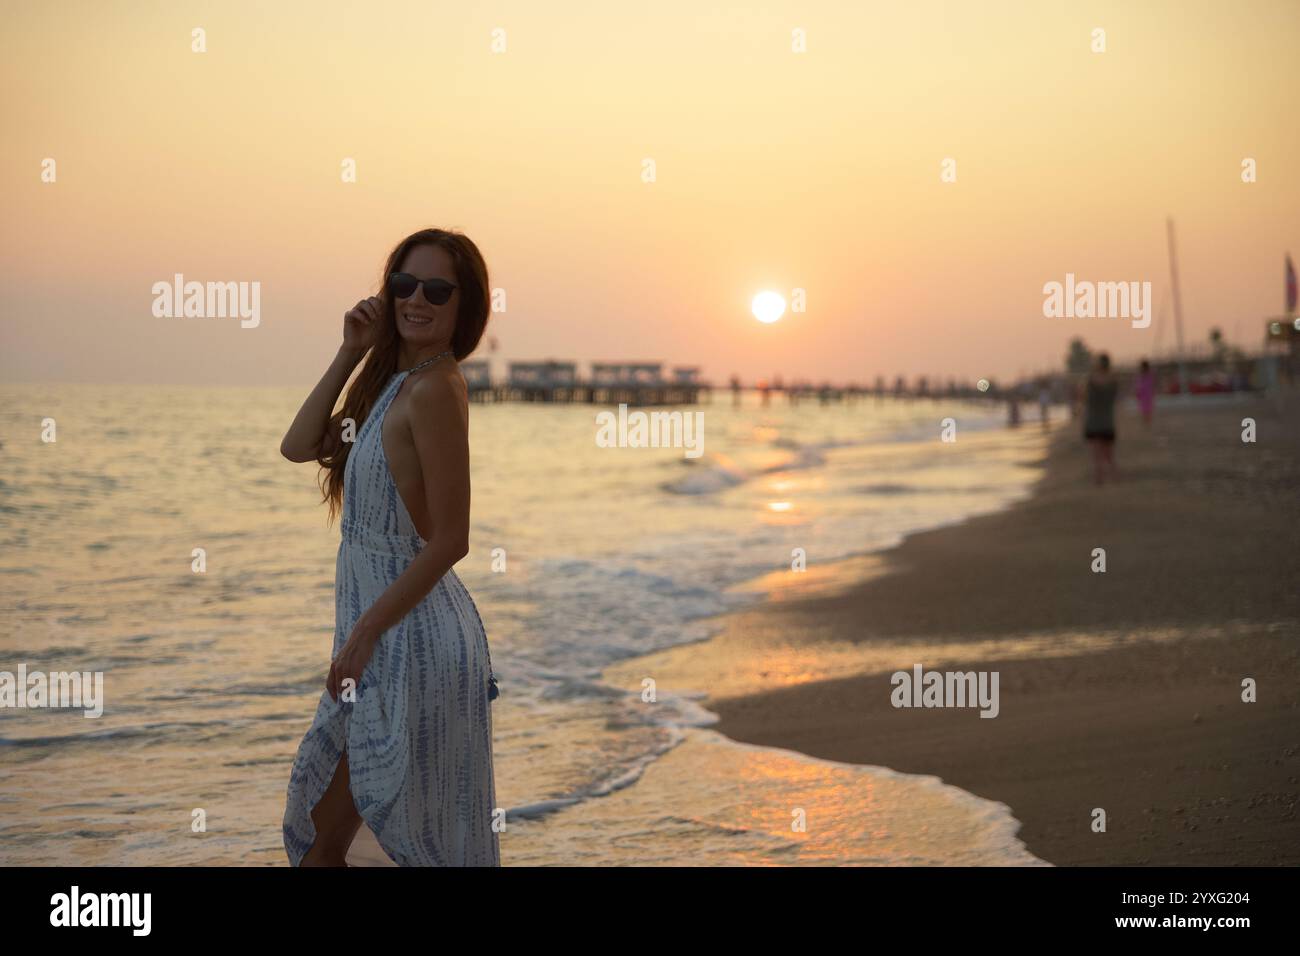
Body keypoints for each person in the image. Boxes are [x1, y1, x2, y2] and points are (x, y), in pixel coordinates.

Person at [279, 228, 499, 867]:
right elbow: (298, 445)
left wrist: (365, 635)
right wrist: (350, 351)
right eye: (405, 284)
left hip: (410, 643)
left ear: (466, 306)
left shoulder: (435, 388)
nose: (417, 300)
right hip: (387, 636)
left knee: (329, 843)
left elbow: (451, 540)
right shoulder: (394, 382)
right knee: (329, 837)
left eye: (437, 289)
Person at [1083, 352, 1119, 485]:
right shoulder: (1113, 380)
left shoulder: (1091, 379)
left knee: (1096, 454)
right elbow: (1114, 397)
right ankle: (1114, 476)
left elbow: (1085, 397)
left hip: (1093, 421)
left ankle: (1099, 478)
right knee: (1109, 454)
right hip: (1108, 421)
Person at [1135, 358, 1155, 425]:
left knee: (1147, 411)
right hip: (1143, 396)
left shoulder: (1149, 375)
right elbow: (1138, 386)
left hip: (1147, 396)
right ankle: (1146, 423)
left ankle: (1147, 423)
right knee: (1144, 411)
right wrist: (1138, 394)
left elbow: (1151, 385)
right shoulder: (1141, 375)